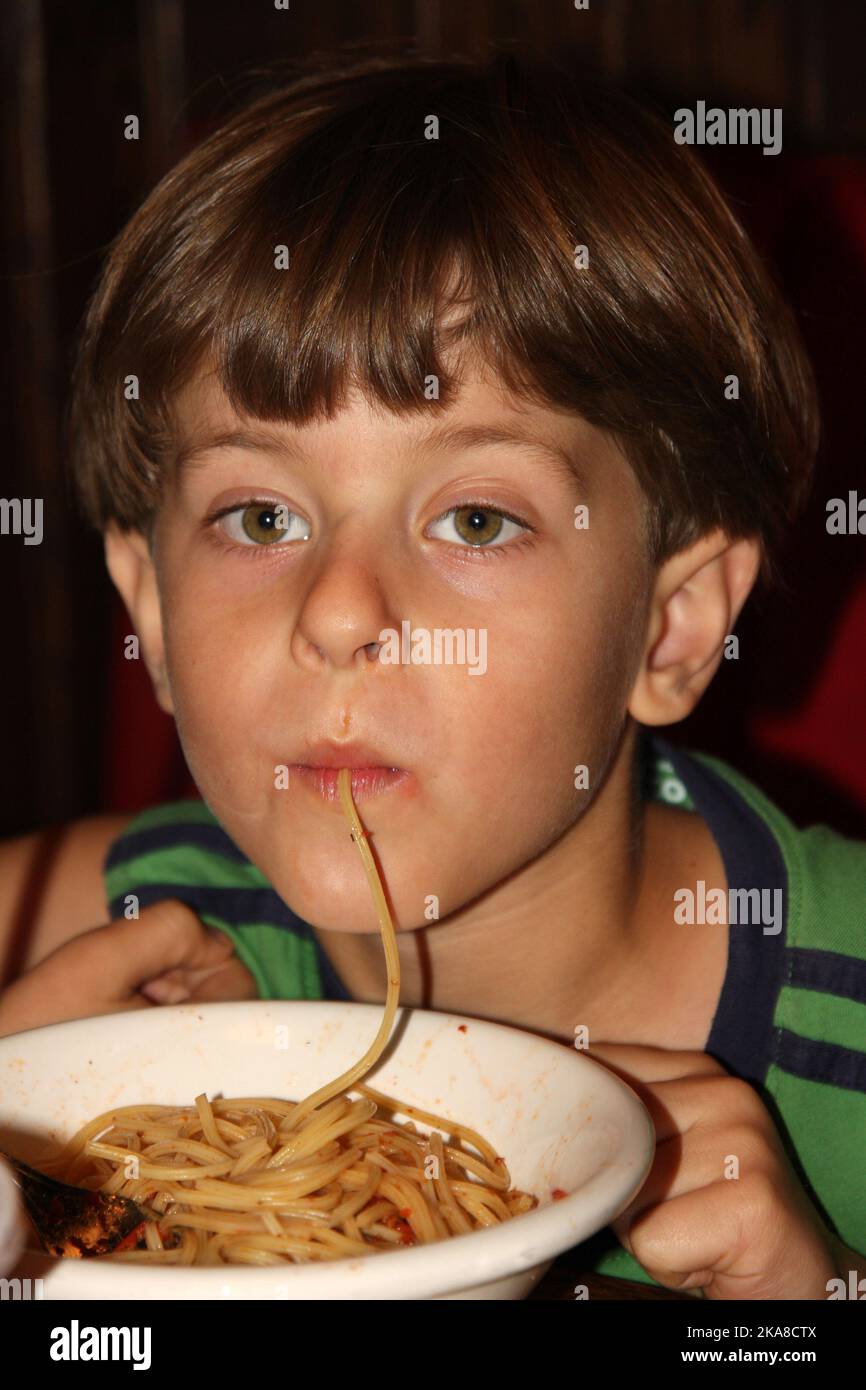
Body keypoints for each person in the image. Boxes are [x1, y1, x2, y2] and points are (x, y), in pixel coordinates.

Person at [1, 51, 864, 1298]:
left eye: (473, 521)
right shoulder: (118, 933)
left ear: (670, 627)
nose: (340, 613)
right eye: (257, 517)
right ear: (151, 610)